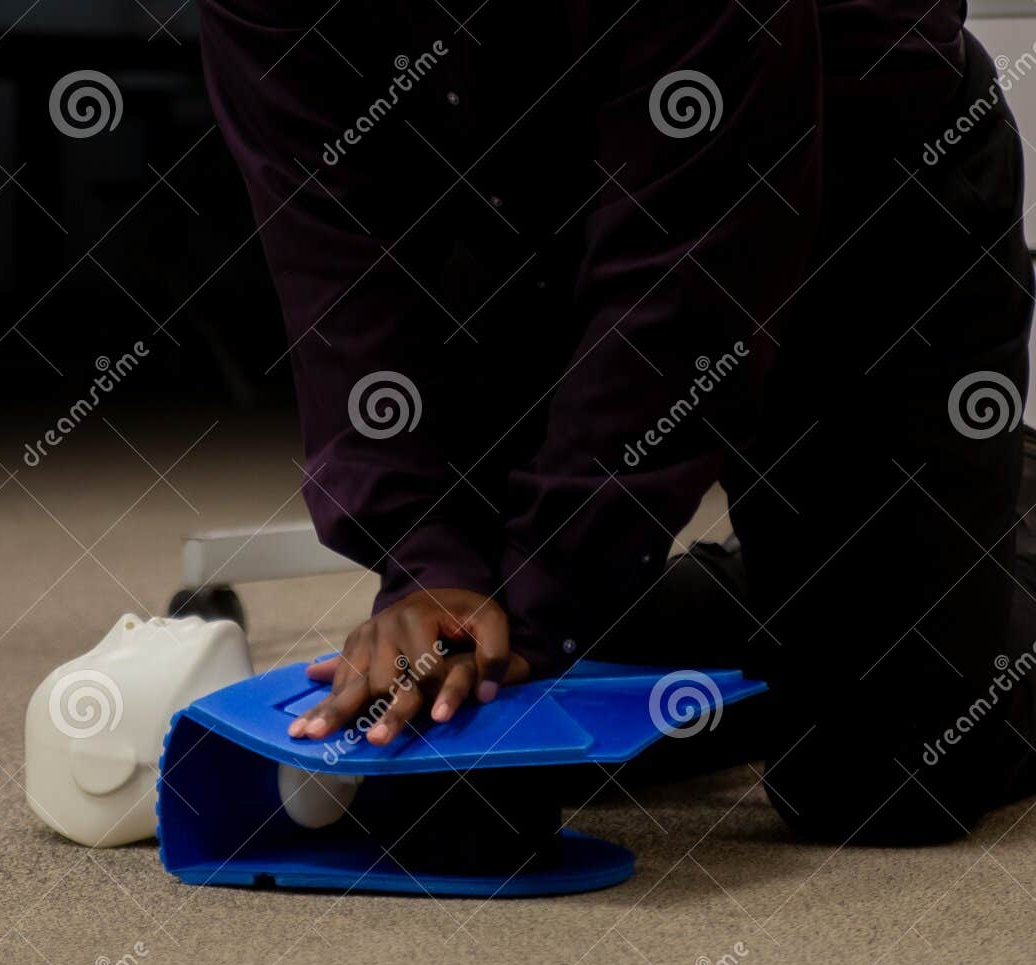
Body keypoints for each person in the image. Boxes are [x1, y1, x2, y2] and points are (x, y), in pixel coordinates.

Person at [198, 0, 1036, 843]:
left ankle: (991, 533)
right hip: (536, 220)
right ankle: (819, 588)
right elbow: (333, 258)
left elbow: (683, 287)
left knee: (882, 781)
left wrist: (544, 594)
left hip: (871, 204)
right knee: (485, 735)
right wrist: (426, 562)